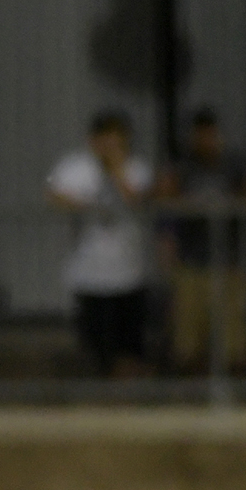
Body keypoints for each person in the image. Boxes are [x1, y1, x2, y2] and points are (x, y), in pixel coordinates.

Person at [48, 110, 155, 376]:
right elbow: (54, 194)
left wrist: (116, 169)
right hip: (89, 273)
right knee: (95, 349)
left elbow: (137, 198)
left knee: (129, 348)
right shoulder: (75, 166)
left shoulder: (137, 167)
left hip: (129, 272)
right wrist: (87, 206)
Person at [158, 108, 246, 374]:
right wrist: (191, 205)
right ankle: (193, 400)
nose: (206, 140)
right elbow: (164, 197)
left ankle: (232, 400)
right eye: (199, 135)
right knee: (188, 343)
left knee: (234, 345)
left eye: (210, 134)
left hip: (228, 262)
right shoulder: (182, 165)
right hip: (191, 262)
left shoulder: (234, 163)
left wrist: (230, 202)